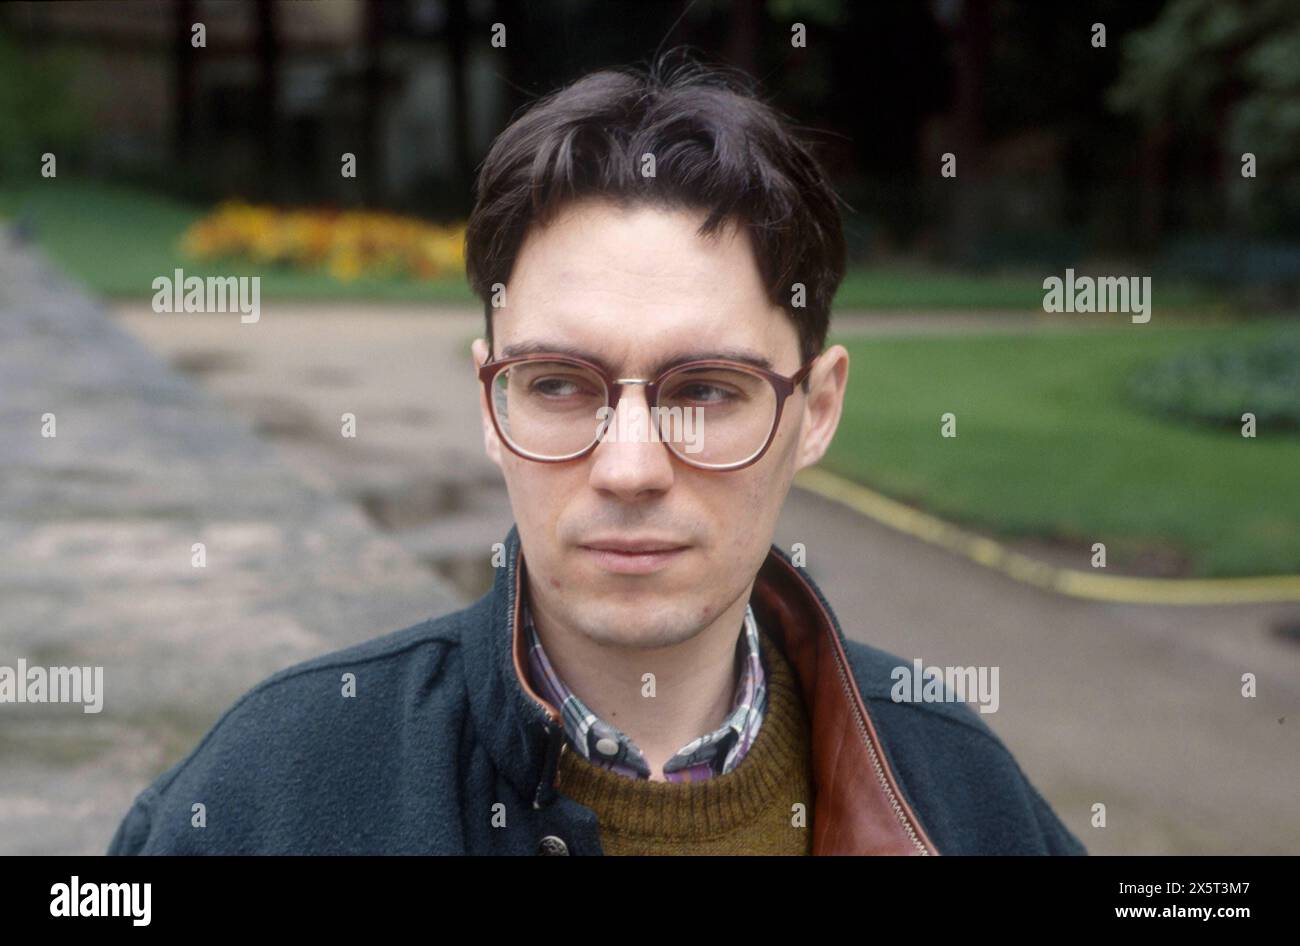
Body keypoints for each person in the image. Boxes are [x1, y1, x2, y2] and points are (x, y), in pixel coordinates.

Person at [108, 50, 1085, 856]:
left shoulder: (959, 793)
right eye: (560, 385)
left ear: (816, 408)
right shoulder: (268, 796)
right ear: (490, 404)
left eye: (704, 391)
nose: (628, 468)